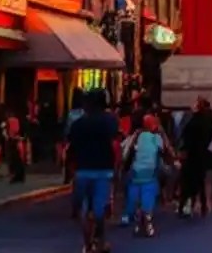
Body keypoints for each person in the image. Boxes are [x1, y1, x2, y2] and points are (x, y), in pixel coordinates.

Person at [67, 89, 118, 253]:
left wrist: (71, 168)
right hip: (103, 169)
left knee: (84, 208)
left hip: (82, 170)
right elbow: (115, 143)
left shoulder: (78, 124)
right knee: (98, 209)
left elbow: (71, 147)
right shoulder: (109, 121)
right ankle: (100, 240)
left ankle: (87, 243)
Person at [121, 114, 170, 237]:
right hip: (150, 172)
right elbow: (163, 152)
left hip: (136, 171)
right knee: (149, 193)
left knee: (133, 195)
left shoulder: (136, 136)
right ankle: (147, 220)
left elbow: (127, 152)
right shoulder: (156, 138)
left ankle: (132, 216)